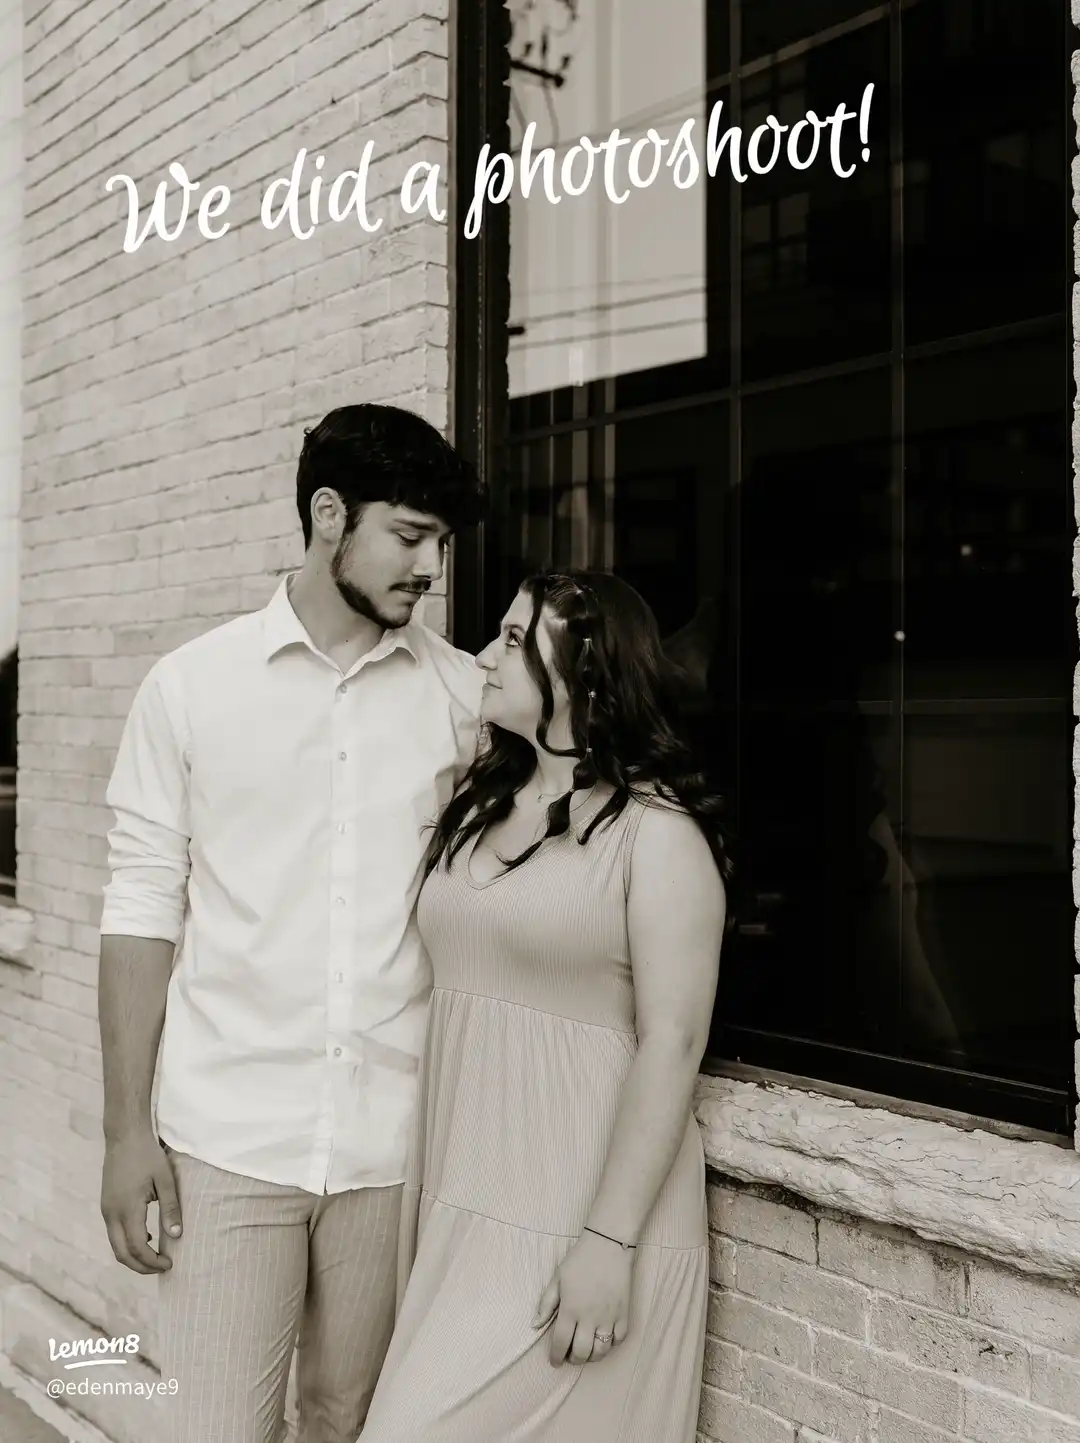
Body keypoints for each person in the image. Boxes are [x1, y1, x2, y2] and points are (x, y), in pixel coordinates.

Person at [96, 404, 486, 1443]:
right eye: (410, 536)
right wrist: (126, 1131)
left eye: (441, 543)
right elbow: (140, 911)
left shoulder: (464, 701)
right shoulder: (191, 689)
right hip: (228, 1140)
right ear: (328, 515)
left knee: (347, 1424)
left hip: (391, 1146)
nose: (430, 568)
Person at [361, 569, 730, 1443]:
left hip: (580, 1222)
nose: (484, 656)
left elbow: (674, 1042)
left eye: (514, 639)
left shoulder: (657, 833)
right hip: (467, 1202)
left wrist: (607, 1243)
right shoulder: (481, 802)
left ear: (585, 675)